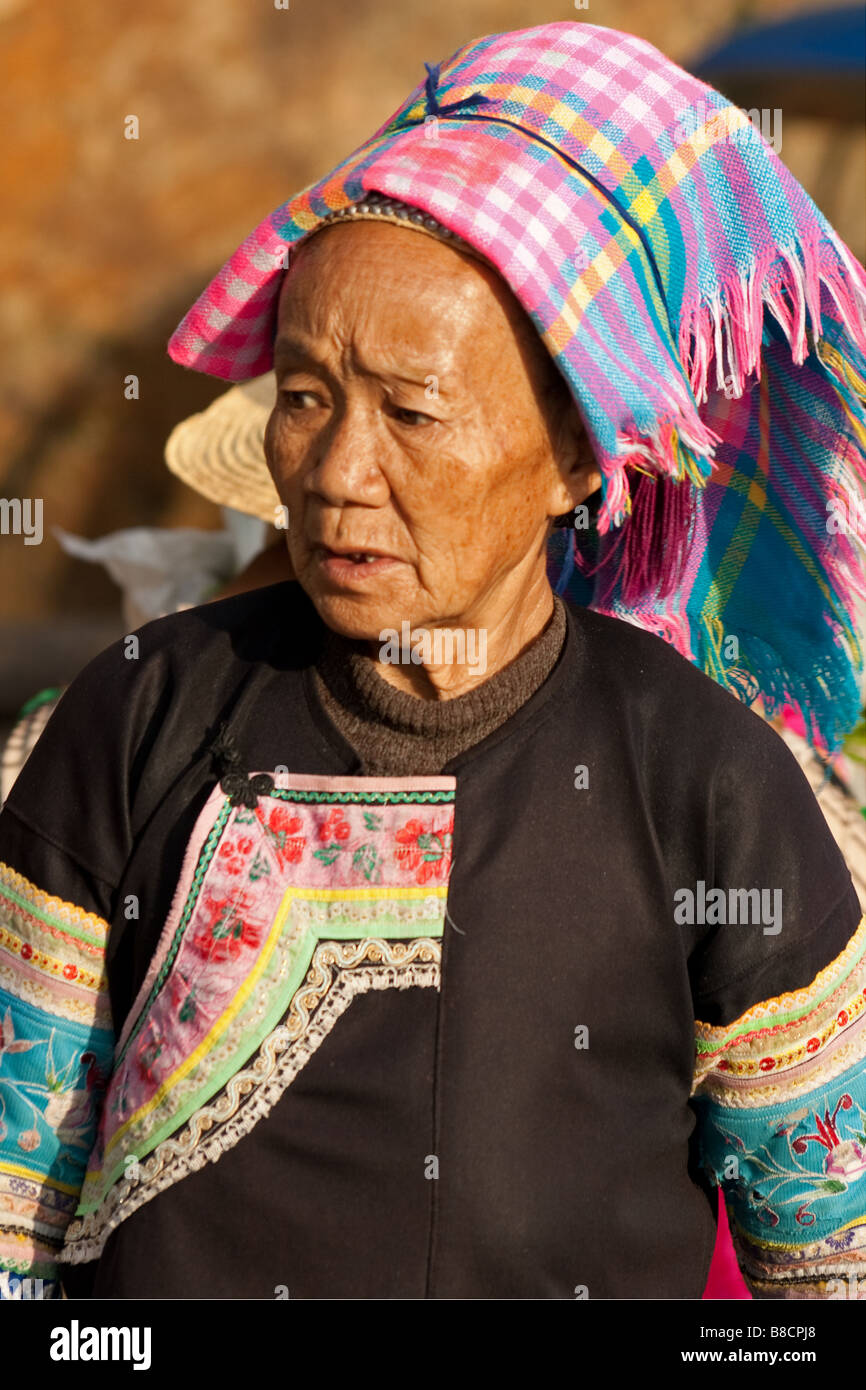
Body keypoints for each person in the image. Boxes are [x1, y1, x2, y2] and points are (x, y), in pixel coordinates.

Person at [1, 21, 865, 1300]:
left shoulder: (708, 786)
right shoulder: (135, 714)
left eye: (412, 412)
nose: (340, 474)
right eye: (303, 396)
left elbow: (823, 1268)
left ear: (579, 456)